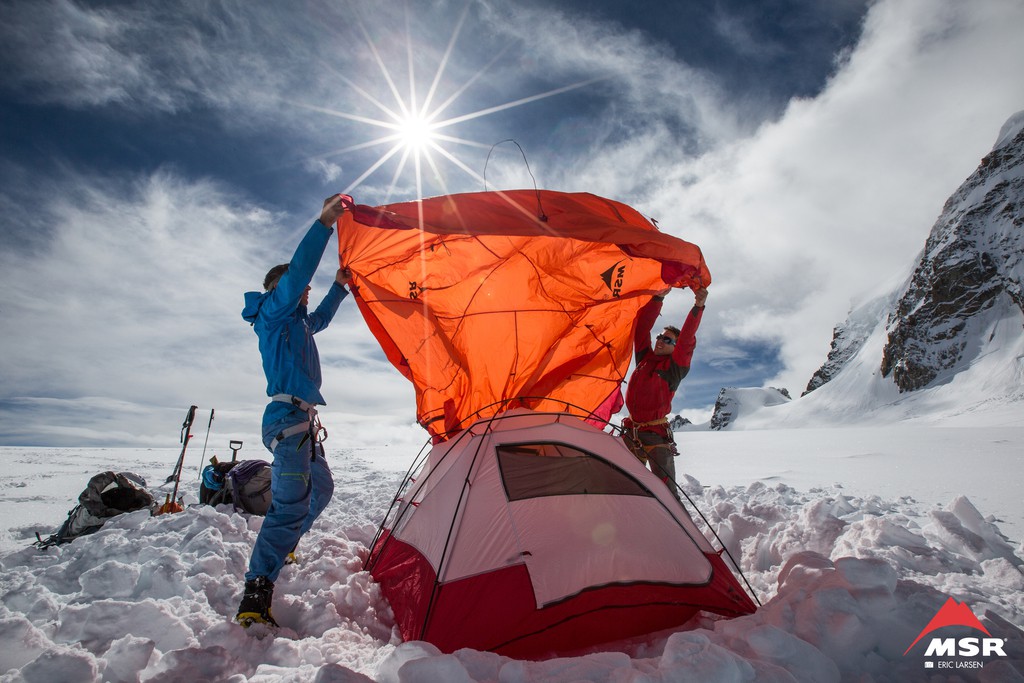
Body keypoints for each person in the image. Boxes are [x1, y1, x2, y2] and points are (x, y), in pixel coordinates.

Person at [236, 194, 353, 628]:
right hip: (287, 423)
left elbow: (320, 318)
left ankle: (283, 544)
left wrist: (339, 287)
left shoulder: (298, 323)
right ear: (279, 289)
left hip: (302, 423)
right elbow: (299, 273)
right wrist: (324, 223)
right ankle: (256, 593)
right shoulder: (274, 314)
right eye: (298, 287)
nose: (306, 290)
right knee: (287, 508)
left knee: (320, 488)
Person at [622, 286, 708, 499]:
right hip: (632, 431)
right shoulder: (644, 358)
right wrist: (657, 299)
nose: (660, 341)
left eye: (668, 340)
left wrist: (698, 307)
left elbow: (687, 339)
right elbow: (642, 328)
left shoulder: (674, 368)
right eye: (660, 337)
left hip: (655, 435)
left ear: (676, 347)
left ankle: (673, 519)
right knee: (624, 485)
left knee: (666, 493)